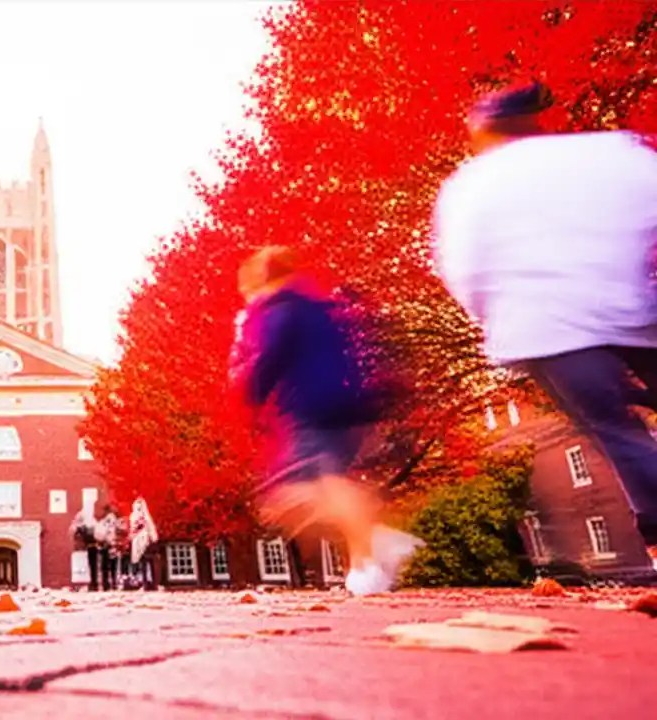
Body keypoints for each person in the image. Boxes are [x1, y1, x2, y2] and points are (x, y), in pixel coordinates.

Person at [434, 81, 657, 571]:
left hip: (552, 332)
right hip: (636, 312)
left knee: (617, 430)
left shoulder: (472, 186)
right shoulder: (611, 154)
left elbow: (465, 271)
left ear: (486, 132)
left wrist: (493, 318)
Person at [232, 246, 422, 595]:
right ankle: (366, 562)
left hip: (312, 405)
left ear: (263, 280)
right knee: (326, 482)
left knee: (301, 489)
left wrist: (250, 389)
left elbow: (269, 358)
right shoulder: (318, 307)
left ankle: (379, 542)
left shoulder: (280, 309)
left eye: (249, 289)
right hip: (348, 403)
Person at [69, 504, 100, 590]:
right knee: (89, 566)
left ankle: (92, 583)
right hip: (84, 549)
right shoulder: (82, 527)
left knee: (90, 566)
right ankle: (91, 584)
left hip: (87, 548)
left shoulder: (85, 526)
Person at [95, 503, 121, 591]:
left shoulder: (106, 520)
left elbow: (104, 532)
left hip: (107, 545)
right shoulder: (112, 520)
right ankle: (113, 583)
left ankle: (107, 584)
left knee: (105, 566)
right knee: (113, 566)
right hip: (112, 545)